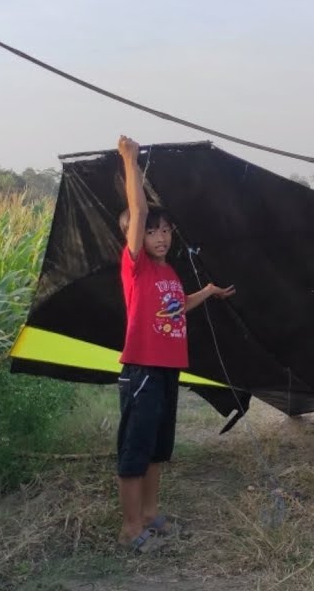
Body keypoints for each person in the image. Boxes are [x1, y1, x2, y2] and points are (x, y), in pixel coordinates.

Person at [115, 135, 234, 552]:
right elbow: (140, 209)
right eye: (151, 232)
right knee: (136, 447)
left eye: (165, 231)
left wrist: (209, 292)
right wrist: (130, 161)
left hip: (167, 369)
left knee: (157, 448)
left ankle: (149, 516)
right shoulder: (137, 268)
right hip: (142, 368)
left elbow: (177, 306)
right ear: (136, 239)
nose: (160, 237)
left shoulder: (168, 272)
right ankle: (131, 528)